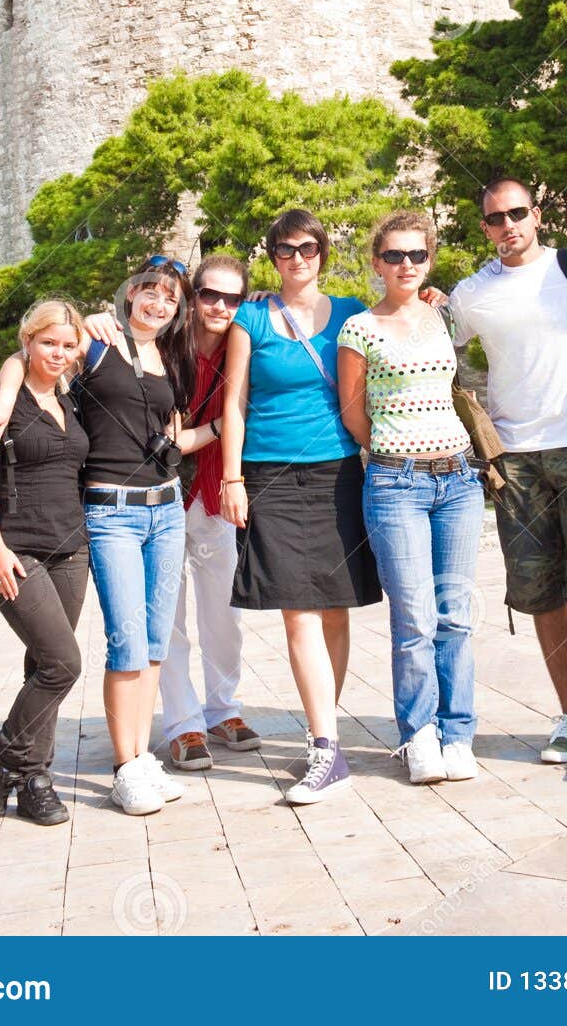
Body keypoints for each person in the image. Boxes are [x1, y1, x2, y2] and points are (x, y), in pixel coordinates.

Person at [0, 256, 218, 817]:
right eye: (150, 291)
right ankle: (122, 767)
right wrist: (7, 396)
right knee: (126, 642)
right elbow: (29, 351)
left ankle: (142, 756)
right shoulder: (96, 339)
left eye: (171, 297)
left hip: (165, 511)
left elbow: (174, 437)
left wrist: (229, 424)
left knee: (156, 645)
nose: (160, 302)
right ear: (131, 293)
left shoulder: (172, 358)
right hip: (112, 512)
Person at [445, 179, 567, 772]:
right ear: (484, 227)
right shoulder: (470, 295)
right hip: (514, 462)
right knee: (541, 594)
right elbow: (438, 354)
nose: (508, 225)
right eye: (496, 217)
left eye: (517, 213)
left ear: (537, 215)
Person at [220, 208, 382, 805]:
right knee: (298, 611)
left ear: (323, 252)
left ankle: (326, 735)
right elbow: (234, 402)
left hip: (339, 471)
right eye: (286, 249)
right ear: (272, 257)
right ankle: (324, 747)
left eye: (308, 248)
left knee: (336, 609)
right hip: (270, 474)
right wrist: (232, 478)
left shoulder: (349, 312)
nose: (297, 258)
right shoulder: (251, 318)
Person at [338, 211, 484, 786]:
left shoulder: (442, 314)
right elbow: (353, 412)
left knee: (455, 614)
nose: (406, 265)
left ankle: (459, 732)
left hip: (458, 481)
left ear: (430, 260)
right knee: (416, 617)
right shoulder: (359, 328)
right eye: (394, 256)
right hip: (397, 483)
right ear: (376, 263)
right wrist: (396, 451)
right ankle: (418, 734)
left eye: (417, 256)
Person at [0, 299, 89, 827]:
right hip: (18, 553)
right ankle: (3, 753)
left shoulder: (73, 401)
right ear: (28, 342)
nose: (57, 353)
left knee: (42, 666)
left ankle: (35, 778)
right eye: (47, 343)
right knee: (64, 664)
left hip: (72, 550)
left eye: (66, 344)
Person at [157, 254, 261, 770]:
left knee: (224, 611)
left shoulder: (247, 340)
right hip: (165, 492)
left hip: (219, 488)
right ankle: (183, 723)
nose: (220, 306)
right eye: (209, 294)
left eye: (233, 297)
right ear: (193, 296)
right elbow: (170, 438)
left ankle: (223, 709)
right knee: (167, 613)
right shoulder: (164, 345)